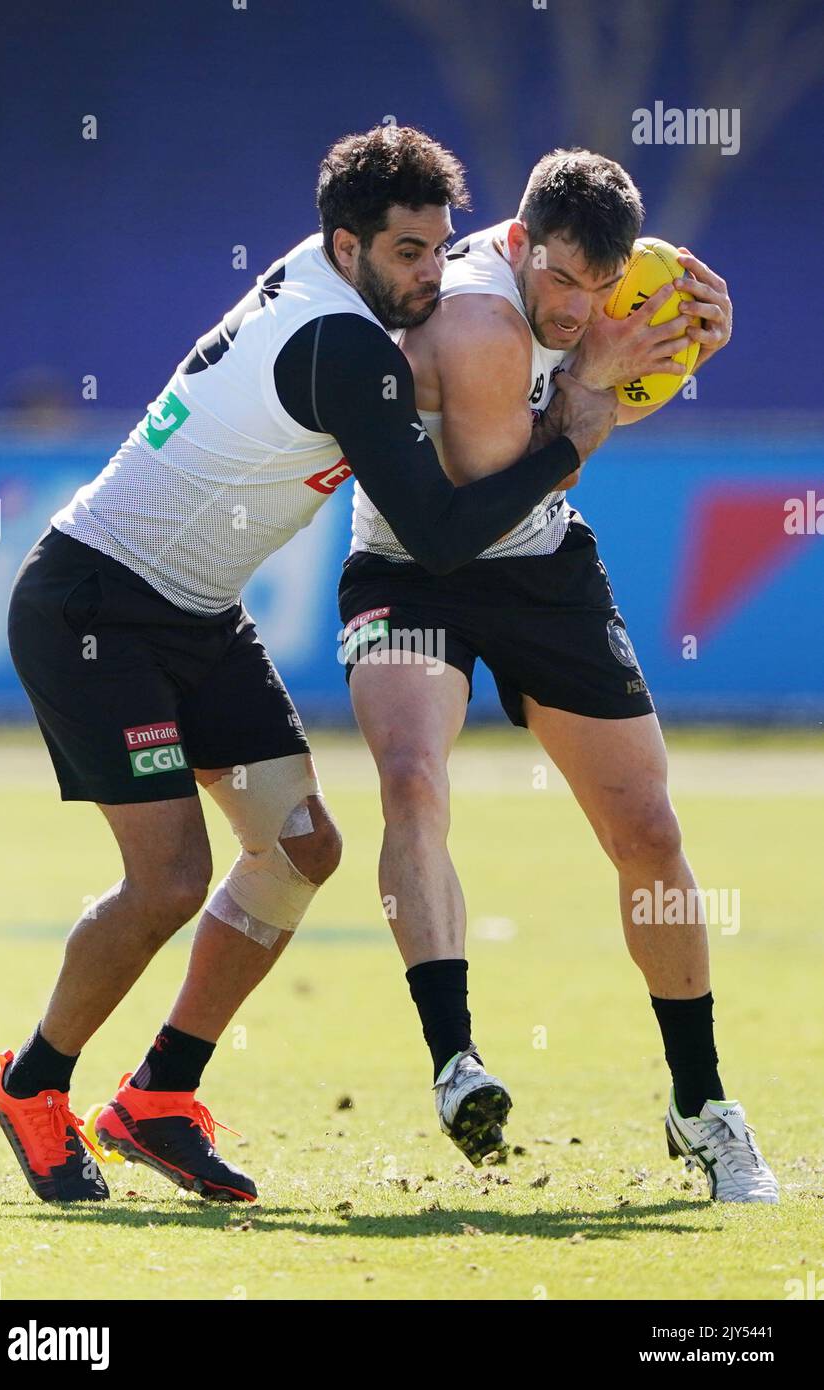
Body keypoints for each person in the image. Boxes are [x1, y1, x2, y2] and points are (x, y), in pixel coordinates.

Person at [0, 128, 616, 1205]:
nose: (433, 273)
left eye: (440, 249)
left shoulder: (341, 294)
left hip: (193, 611)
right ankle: (34, 1085)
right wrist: (568, 441)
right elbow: (437, 536)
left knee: (300, 847)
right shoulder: (346, 351)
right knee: (173, 879)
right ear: (348, 244)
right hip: (95, 605)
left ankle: (156, 1097)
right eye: (410, 253)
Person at [339, 148, 778, 1203]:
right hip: (416, 559)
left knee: (650, 833)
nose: (580, 305)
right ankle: (456, 1061)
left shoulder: (621, 289)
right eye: (563, 280)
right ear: (521, 243)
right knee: (410, 780)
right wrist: (596, 381)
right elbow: (495, 491)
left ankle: (700, 1101)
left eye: (602, 283)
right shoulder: (478, 320)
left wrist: (670, 352)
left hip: (539, 563)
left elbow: (587, 423)